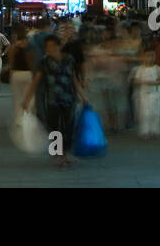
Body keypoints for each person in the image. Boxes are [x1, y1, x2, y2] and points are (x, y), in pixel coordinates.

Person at [21, 34, 88, 168]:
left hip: (69, 98)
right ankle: (59, 154)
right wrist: (26, 100)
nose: (50, 49)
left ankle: (63, 154)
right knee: (54, 128)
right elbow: (36, 82)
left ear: (59, 46)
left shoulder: (69, 60)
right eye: (47, 47)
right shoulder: (44, 62)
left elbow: (73, 79)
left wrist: (83, 96)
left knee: (68, 127)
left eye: (52, 46)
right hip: (52, 100)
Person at [86, 22, 127, 133]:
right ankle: (107, 125)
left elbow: (121, 65)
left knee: (112, 104)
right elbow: (92, 64)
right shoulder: (97, 50)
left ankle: (114, 125)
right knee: (104, 104)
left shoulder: (116, 50)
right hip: (100, 80)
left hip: (112, 80)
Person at [132, 47, 160, 138]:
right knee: (145, 112)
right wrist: (143, 82)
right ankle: (145, 131)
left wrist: (154, 82)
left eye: (152, 56)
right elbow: (136, 80)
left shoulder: (158, 68)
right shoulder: (140, 69)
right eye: (148, 56)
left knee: (155, 112)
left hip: (155, 93)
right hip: (144, 93)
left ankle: (154, 131)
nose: (150, 58)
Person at [7, 25, 34, 123]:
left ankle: (19, 119)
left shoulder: (13, 47)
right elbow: (31, 62)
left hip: (16, 74)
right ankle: (28, 116)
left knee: (17, 97)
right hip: (27, 73)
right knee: (29, 97)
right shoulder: (28, 46)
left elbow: (11, 63)